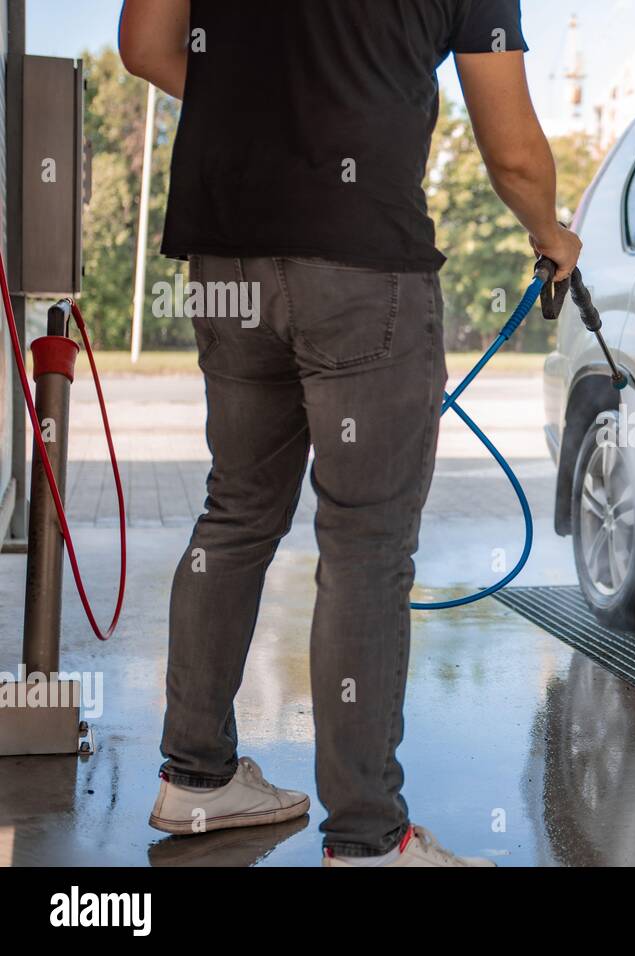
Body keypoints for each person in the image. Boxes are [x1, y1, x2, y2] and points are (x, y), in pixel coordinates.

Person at [119, 0, 581, 868]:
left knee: (236, 514)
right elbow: (513, 149)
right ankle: (368, 841)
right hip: (361, 266)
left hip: (228, 260)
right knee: (365, 546)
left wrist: (257, 110)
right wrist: (550, 232)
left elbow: (144, 46)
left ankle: (197, 783)